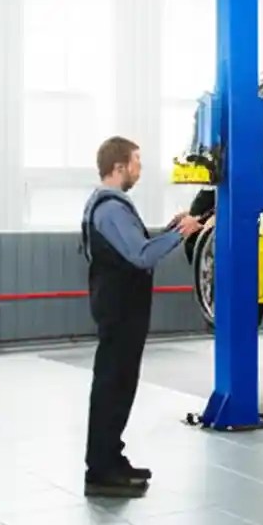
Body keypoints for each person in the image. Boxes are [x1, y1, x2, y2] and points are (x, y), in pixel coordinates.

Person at [80, 136, 201, 498]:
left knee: (117, 387)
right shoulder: (111, 207)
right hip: (120, 312)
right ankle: (101, 470)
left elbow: (133, 247)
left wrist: (169, 230)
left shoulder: (109, 205)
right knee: (112, 389)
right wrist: (181, 233)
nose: (139, 168)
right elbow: (141, 256)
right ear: (119, 167)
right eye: (136, 161)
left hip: (120, 310)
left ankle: (111, 459)